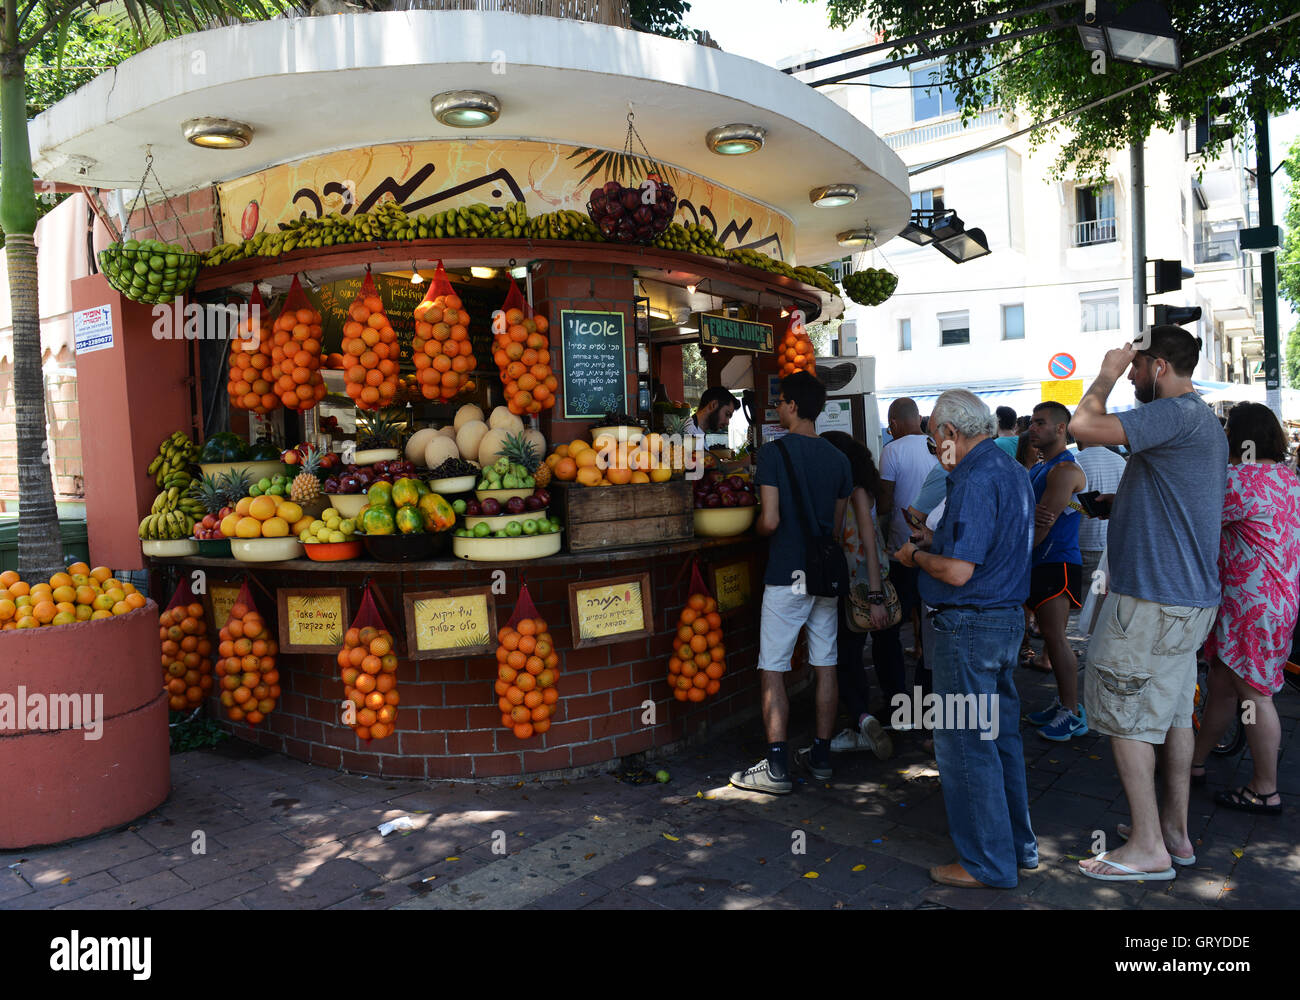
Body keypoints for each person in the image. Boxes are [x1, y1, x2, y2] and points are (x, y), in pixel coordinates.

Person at [1068, 327, 1226, 881]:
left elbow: (1081, 426)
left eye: (1137, 366)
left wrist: (1105, 372)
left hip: (1152, 602)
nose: (1131, 376)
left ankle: (1147, 848)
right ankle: (1173, 834)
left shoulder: (1173, 411)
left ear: (1158, 366)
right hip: (1183, 599)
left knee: (1126, 714)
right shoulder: (1200, 418)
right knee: (1173, 714)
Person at [894, 389, 1037, 889]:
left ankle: (986, 864)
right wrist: (938, 543)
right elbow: (987, 546)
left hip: (970, 625)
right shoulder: (1010, 470)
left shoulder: (974, 478)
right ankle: (1016, 850)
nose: (936, 452)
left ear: (951, 434)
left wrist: (916, 558)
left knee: (965, 746)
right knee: (1000, 741)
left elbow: (956, 573)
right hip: (1001, 622)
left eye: (935, 443)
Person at [731, 372, 853, 794]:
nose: (778, 408)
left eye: (781, 401)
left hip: (787, 574)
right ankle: (821, 756)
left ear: (795, 406)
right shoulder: (839, 460)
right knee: (826, 664)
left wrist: (757, 532)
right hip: (823, 575)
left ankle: (777, 767)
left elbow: (770, 520)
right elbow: (834, 528)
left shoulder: (773, 454)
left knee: (773, 669)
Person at [1192, 403, 1300, 814]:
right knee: (1222, 684)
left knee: (1255, 696)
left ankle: (1265, 788)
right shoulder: (1286, 477)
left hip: (1249, 605)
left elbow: (1195, 522)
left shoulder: (1239, 479)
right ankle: (1195, 763)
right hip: (1276, 599)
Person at [821, 431, 894, 760]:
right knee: (863, 654)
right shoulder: (856, 487)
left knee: (847, 658)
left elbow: (866, 541)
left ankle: (862, 719)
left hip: (859, 584)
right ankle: (876, 717)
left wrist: (876, 596)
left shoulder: (855, 491)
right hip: (866, 581)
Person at [1021, 401, 1088, 741]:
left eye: (1041, 423)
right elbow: (1031, 518)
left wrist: (1013, 556)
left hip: (1056, 561)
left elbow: (1041, 526)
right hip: (1043, 561)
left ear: (1061, 429)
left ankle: (1072, 712)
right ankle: (1064, 704)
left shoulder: (1063, 470)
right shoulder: (1040, 468)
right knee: (1050, 638)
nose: (1033, 428)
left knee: (1056, 639)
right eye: (1032, 422)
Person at [876, 398, 940, 706]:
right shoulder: (937, 446)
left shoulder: (891, 450)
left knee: (889, 627)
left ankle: (897, 695)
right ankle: (927, 693)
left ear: (896, 423)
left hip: (902, 552)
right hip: (935, 551)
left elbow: (885, 504)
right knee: (930, 624)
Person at [1074, 442, 1126, 588]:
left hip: (1083, 543)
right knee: (1100, 599)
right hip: (1112, 545)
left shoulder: (1075, 462)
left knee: (1083, 604)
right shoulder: (1119, 461)